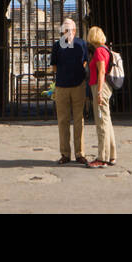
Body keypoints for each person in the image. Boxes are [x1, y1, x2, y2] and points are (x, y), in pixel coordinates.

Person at [49, 18, 90, 165]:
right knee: (63, 120)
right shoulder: (57, 45)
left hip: (78, 85)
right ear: (62, 31)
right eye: (66, 30)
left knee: (79, 119)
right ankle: (65, 153)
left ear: (75, 30)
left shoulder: (81, 43)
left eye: (71, 29)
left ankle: (80, 153)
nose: (68, 32)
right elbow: (53, 65)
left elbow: (85, 61)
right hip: (62, 87)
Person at [86, 25, 117, 167]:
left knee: (101, 123)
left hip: (100, 88)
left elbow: (101, 73)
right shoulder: (105, 49)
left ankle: (102, 157)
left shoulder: (99, 51)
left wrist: (98, 92)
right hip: (104, 88)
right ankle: (111, 155)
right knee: (107, 121)